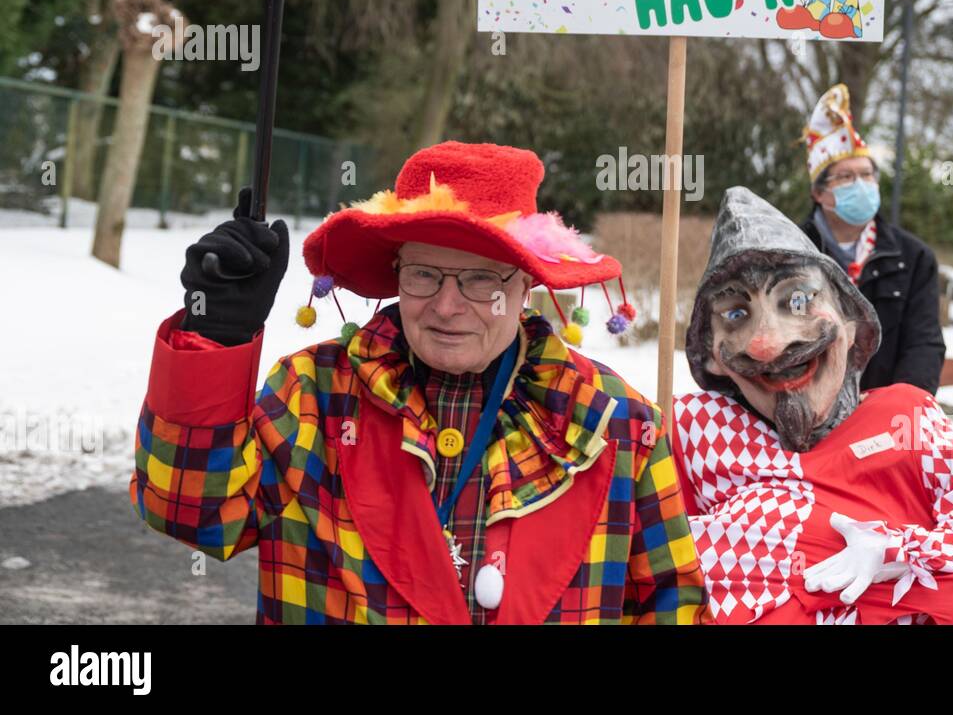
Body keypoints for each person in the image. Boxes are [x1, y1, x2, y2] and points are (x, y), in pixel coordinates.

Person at [129, 141, 709, 624]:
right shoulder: (313, 395)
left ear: (526, 286)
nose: (447, 307)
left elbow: (670, 603)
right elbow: (192, 513)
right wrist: (217, 339)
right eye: (425, 274)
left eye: (482, 280)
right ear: (396, 275)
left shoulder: (616, 422)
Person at [672, 186, 953, 624]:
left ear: (850, 322)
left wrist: (893, 550)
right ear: (712, 354)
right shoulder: (697, 428)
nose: (768, 343)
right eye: (735, 314)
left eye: (798, 299)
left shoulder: (904, 418)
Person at [798, 84, 946, 393]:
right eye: (847, 177)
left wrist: (902, 406)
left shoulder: (913, 258)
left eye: (867, 175)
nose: (861, 185)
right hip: (806, 414)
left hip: (885, 419)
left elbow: (923, 345)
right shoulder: (790, 252)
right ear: (819, 193)